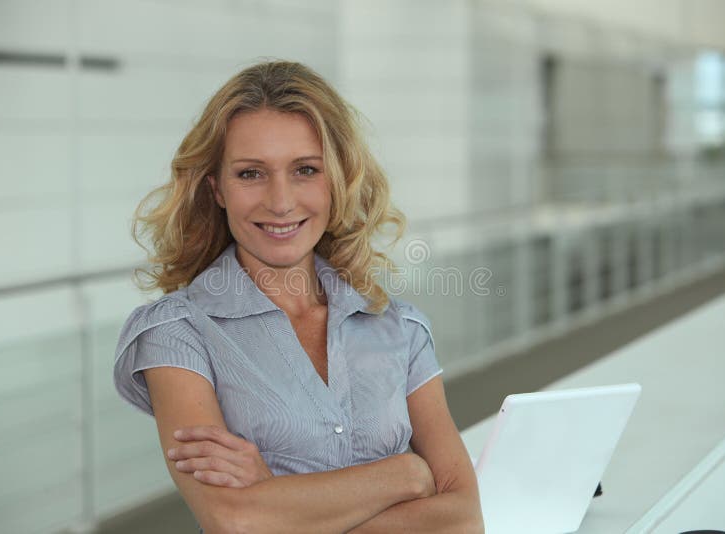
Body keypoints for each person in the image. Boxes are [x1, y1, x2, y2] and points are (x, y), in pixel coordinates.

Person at [113, 60, 483, 533]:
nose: (281, 202)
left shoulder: (400, 329)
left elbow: (463, 518)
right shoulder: (176, 335)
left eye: (305, 170)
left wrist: (280, 498)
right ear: (217, 189)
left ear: (336, 180)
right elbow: (236, 520)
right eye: (251, 174)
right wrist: (406, 474)